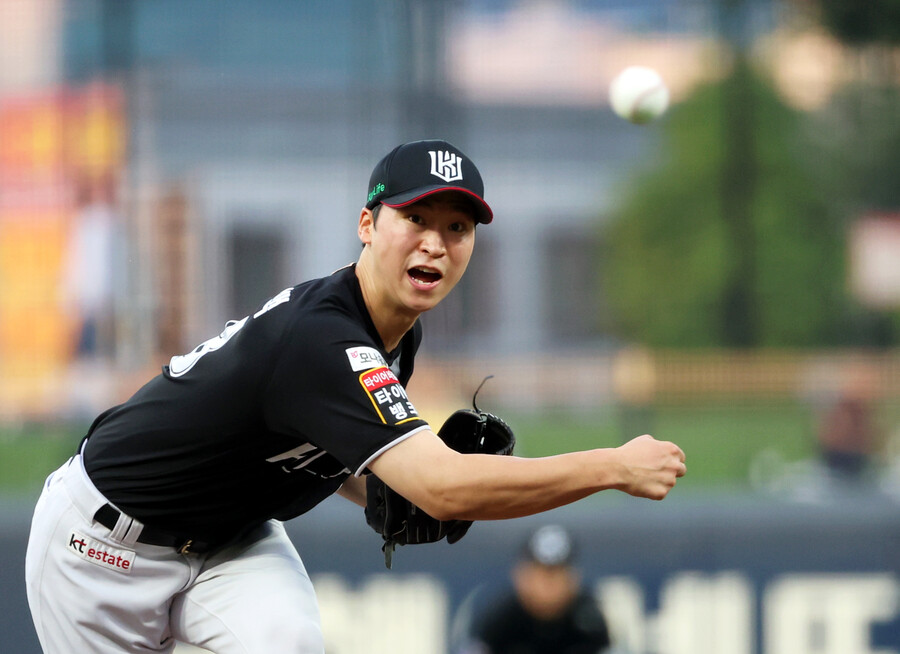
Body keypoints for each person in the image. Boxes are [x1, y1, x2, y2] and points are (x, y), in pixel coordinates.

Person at [25, 139, 686, 654]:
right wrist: (614, 466)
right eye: (416, 217)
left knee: (289, 641)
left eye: (457, 227)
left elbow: (336, 453)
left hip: (230, 538)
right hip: (102, 544)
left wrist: (383, 490)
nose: (436, 241)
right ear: (367, 224)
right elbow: (448, 490)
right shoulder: (325, 340)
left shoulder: (393, 335)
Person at [469, 524, 612, 654]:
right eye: (542, 573)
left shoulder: (589, 620)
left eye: (557, 573)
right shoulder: (501, 621)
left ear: (574, 577)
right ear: (521, 576)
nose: (549, 584)